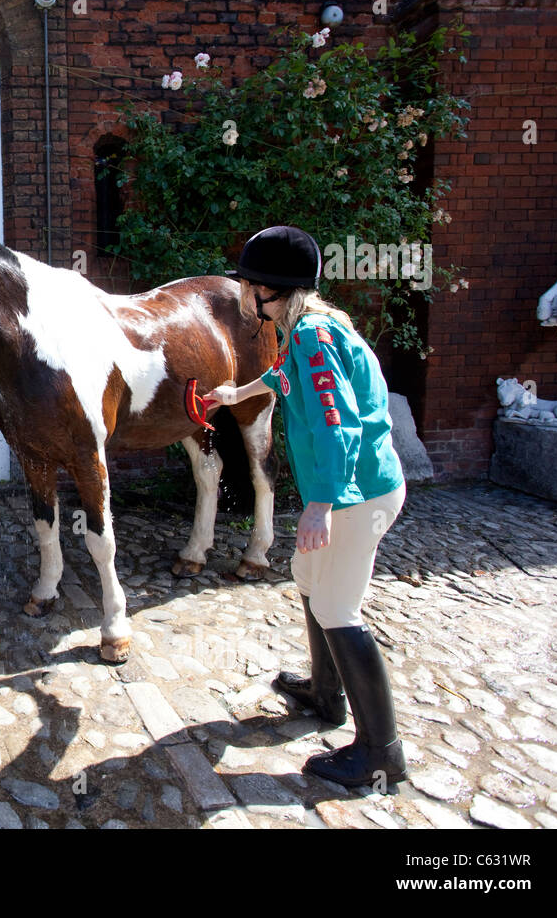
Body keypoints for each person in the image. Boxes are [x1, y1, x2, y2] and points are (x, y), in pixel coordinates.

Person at [204, 225, 408, 789]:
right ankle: (325, 694)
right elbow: (284, 376)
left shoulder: (315, 338)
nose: (245, 295)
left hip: (357, 494)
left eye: (251, 286)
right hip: (349, 492)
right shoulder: (308, 331)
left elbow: (338, 424)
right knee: (308, 579)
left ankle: (380, 753)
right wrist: (236, 393)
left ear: (273, 291)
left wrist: (320, 504)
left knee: (340, 608)